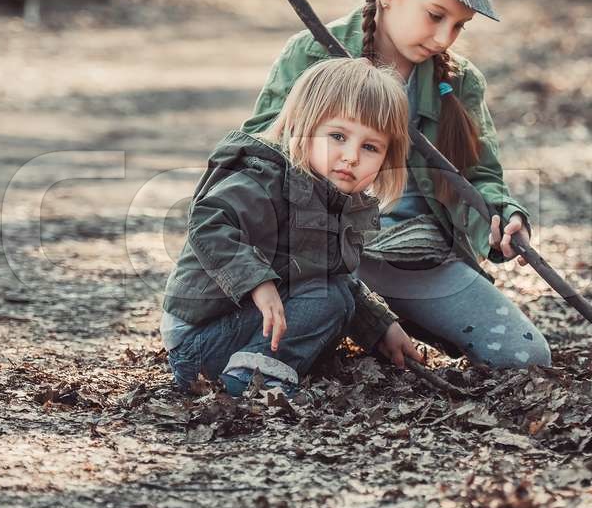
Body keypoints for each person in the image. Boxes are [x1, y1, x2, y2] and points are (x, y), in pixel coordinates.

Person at [242, 0, 552, 369]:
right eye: (435, 15)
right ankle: (354, 320)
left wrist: (503, 217)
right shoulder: (311, 53)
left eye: (459, 24)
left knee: (525, 357)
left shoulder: (459, 82)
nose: (445, 38)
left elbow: (480, 176)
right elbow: (255, 158)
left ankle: (391, 319)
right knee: (286, 351)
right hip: (318, 259)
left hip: (416, 256)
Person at [160, 58, 422, 396]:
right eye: (338, 136)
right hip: (199, 338)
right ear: (302, 125)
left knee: (335, 294)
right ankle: (250, 378)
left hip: (238, 324)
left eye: (370, 147)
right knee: (329, 298)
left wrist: (381, 327)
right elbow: (209, 222)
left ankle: (263, 365)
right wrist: (257, 282)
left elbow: (335, 275)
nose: (352, 156)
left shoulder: (333, 197)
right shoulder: (265, 176)